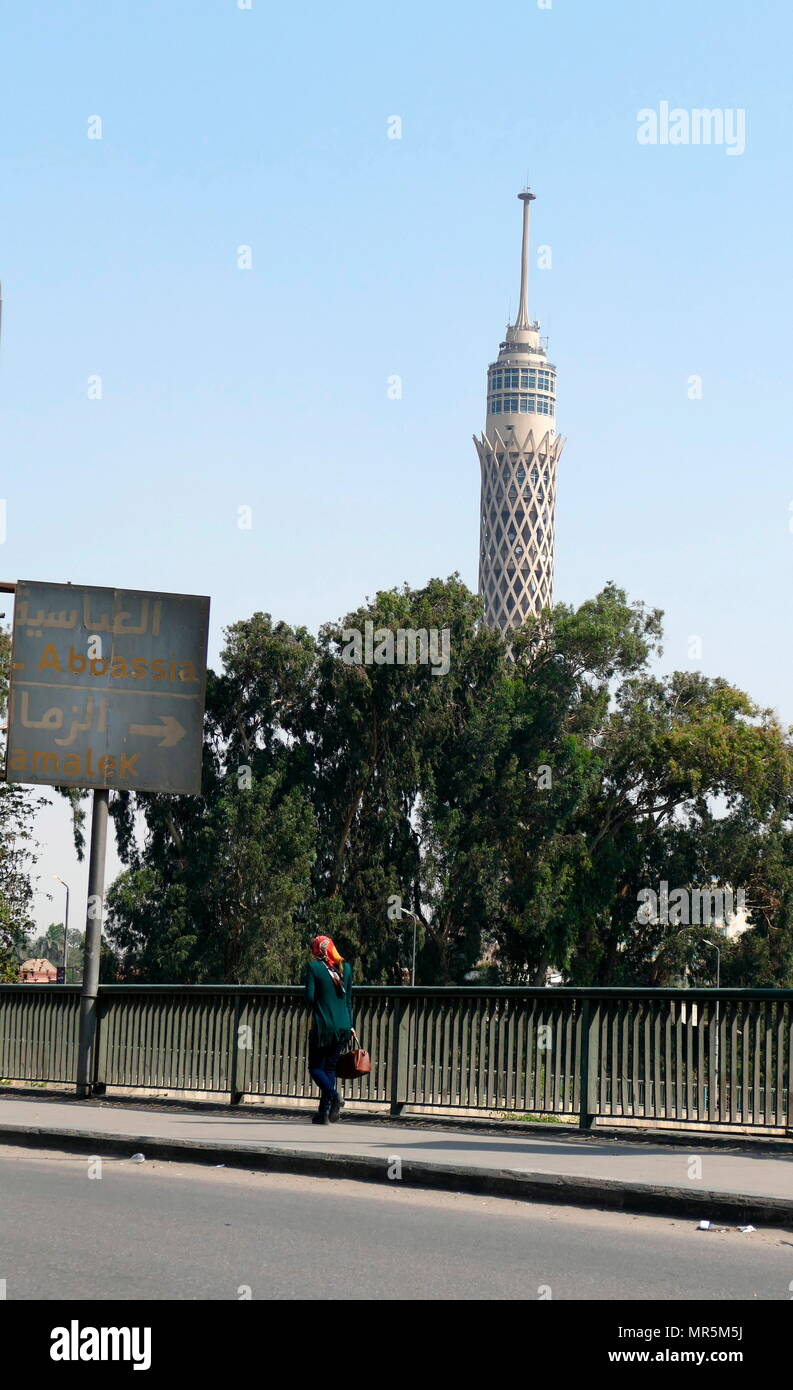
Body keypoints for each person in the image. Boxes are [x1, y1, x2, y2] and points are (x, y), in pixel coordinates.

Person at [304, 934, 353, 1125]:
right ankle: (323, 1114)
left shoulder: (314, 968)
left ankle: (334, 1096)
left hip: (322, 1026)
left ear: (317, 951)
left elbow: (309, 997)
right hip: (343, 1026)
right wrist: (350, 1025)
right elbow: (348, 1000)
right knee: (330, 1068)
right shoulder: (346, 969)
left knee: (315, 1067)